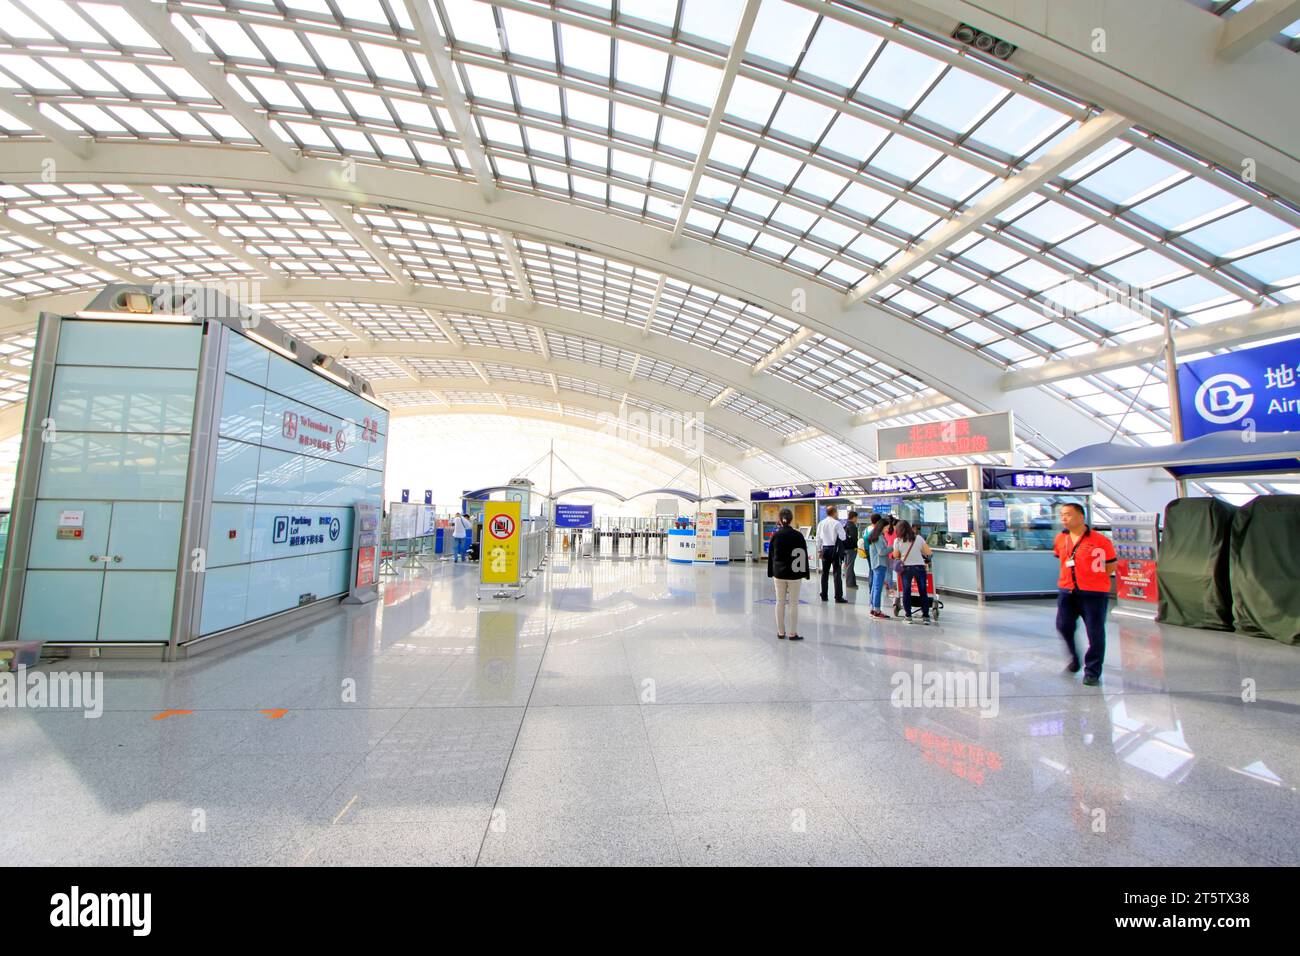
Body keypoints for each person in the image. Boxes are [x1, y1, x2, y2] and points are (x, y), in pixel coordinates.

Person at [1054, 502, 1117, 686]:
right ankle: (1075, 657)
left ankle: (1092, 671)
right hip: (1067, 591)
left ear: (1081, 517)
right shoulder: (1060, 539)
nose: (1064, 518)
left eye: (1068, 514)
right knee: (1063, 626)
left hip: (1094, 594)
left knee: (1095, 632)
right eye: (1062, 515)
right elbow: (1062, 559)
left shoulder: (1101, 541)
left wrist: (1093, 580)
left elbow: (1110, 566)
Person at [767, 507, 810, 641]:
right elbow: (803, 554)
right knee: (793, 603)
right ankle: (792, 633)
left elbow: (771, 556)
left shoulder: (775, 536)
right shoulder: (798, 535)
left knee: (779, 602)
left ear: (779, 520)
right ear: (791, 520)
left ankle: (781, 632)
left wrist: (771, 572)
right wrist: (805, 573)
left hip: (779, 573)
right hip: (795, 574)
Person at [891, 520, 933, 624]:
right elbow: (928, 552)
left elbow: (896, 555)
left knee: (906, 592)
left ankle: (908, 616)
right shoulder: (918, 538)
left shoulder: (897, 541)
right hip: (919, 567)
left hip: (906, 568)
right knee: (923, 592)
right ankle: (926, 617)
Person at [815, 504, 847, 603]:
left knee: (824, 573)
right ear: (834, 512)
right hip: (835, 550)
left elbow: (818, 538)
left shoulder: (821, 523)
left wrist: (819, 550)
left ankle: (824, 595)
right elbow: (843, 537)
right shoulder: (837, 523)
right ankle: (838, 596)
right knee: (837, 573)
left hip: (825, 549)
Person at [865, 513, 891, 619]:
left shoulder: (875, 536)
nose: (888, 529)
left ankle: (873, 608)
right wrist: (893, 547)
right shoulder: (879, 538)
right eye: (887, 527)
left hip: (876, 564)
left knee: (875, 587)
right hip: (880, 564)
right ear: (883, 527)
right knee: (878, 588)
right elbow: (881, 552)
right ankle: (877, 609)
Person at [843, 510, 860, 590]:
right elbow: (854, 539)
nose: (857, 519)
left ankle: (852, 582)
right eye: (856, 518)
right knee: (850, 566)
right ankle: (850, 583)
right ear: (854, 517)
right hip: (851, 549)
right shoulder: (853, 526)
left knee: (848, 565)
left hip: (845, 548)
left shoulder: (845, 525)